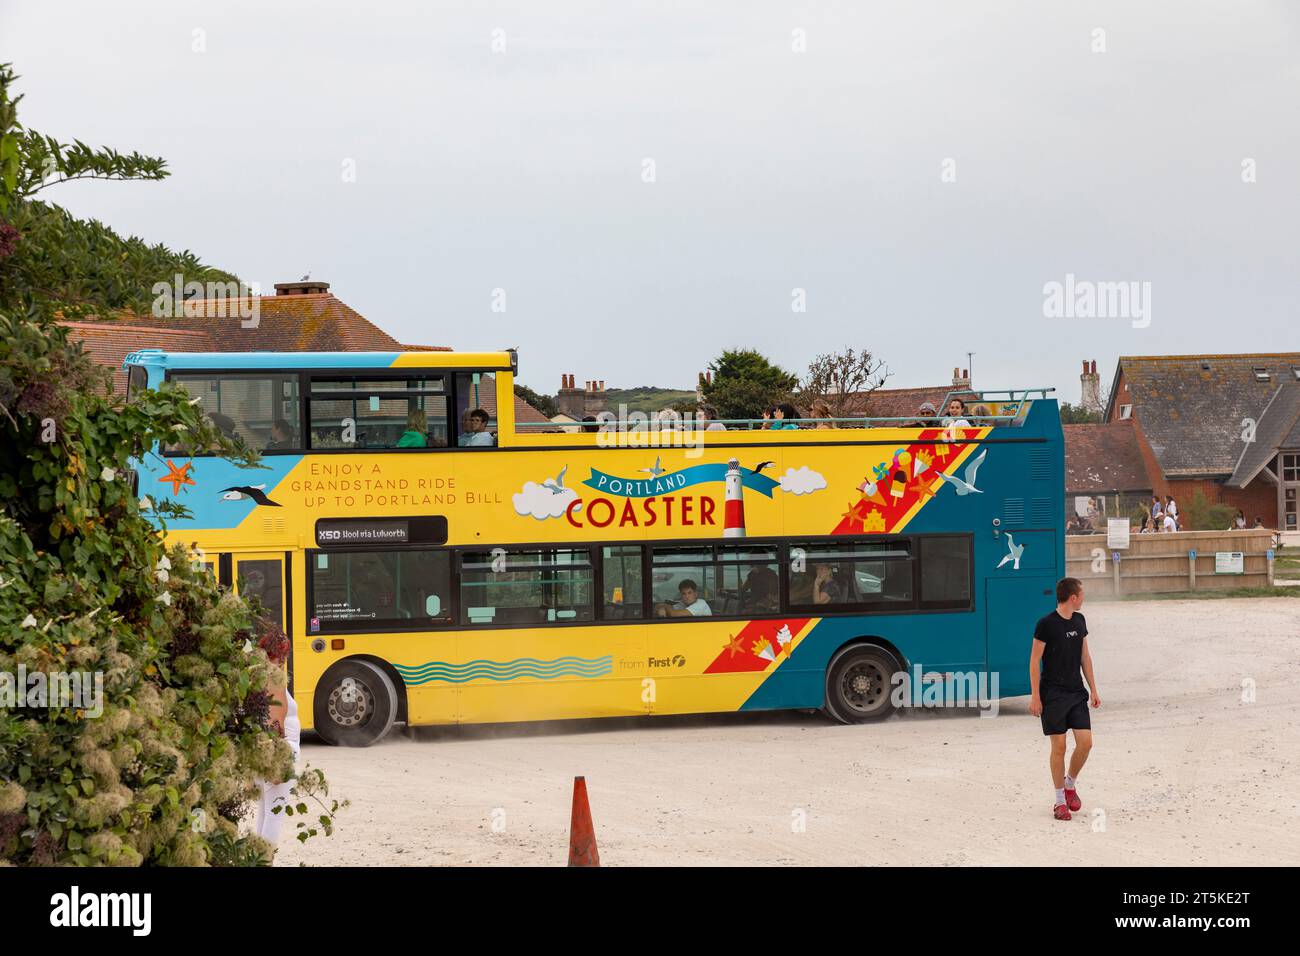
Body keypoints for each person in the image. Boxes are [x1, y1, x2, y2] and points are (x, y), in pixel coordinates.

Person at [1028, 577, 1100, 821]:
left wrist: (1094, 689)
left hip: (1075, 692)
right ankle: (1060, 801)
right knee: (1058, 747)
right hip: (1053, 695)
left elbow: (1085, 658)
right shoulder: (1046, 624)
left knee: (1086, 742)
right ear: (1073, 597)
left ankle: (1070, 783)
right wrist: (1035, 696)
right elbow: (1034, 661)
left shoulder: (1080, 621)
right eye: (1082, 594)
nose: (1083, 598)